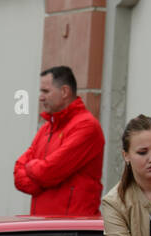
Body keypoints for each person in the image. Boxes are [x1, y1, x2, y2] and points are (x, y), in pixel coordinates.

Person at [13, 65, 104, 216]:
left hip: (71, 229)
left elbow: (49, 172)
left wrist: (32, 168)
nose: (41, 97)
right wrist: (41, 180)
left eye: (46, 91)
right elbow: (18, 174)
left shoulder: (87, 126)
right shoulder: (46, 129)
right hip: (43, 226)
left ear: (64, 92)